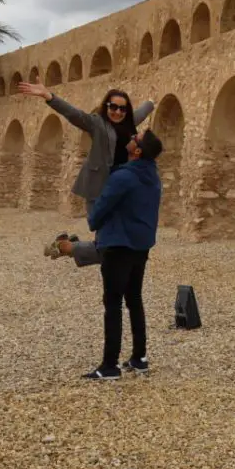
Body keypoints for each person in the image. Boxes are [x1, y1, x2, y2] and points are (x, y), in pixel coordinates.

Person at [16, 81, 154, 266]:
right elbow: (74, 114)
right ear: (106, 106)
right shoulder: (97, 123)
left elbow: (143, 111)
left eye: (123, 108)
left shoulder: (129, 124)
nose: (118, 112)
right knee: (106, 246)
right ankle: (66, 246)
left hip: (120, 190)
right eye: (113, 107)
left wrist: (153, 101)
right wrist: (49, 96)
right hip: (98, 189)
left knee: (115, 244)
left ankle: (71, 246)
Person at [82, 129, 163, 380]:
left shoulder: (124, 177)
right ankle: (139, 357)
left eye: (135, 139)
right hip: (140, 246)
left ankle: (109, 365)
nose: (131, 138)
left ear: (137, 151)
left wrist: (93, 221)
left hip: (118, 244)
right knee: (134, 299)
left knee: (113, 303)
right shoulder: (153, 177)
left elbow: (102, 206)